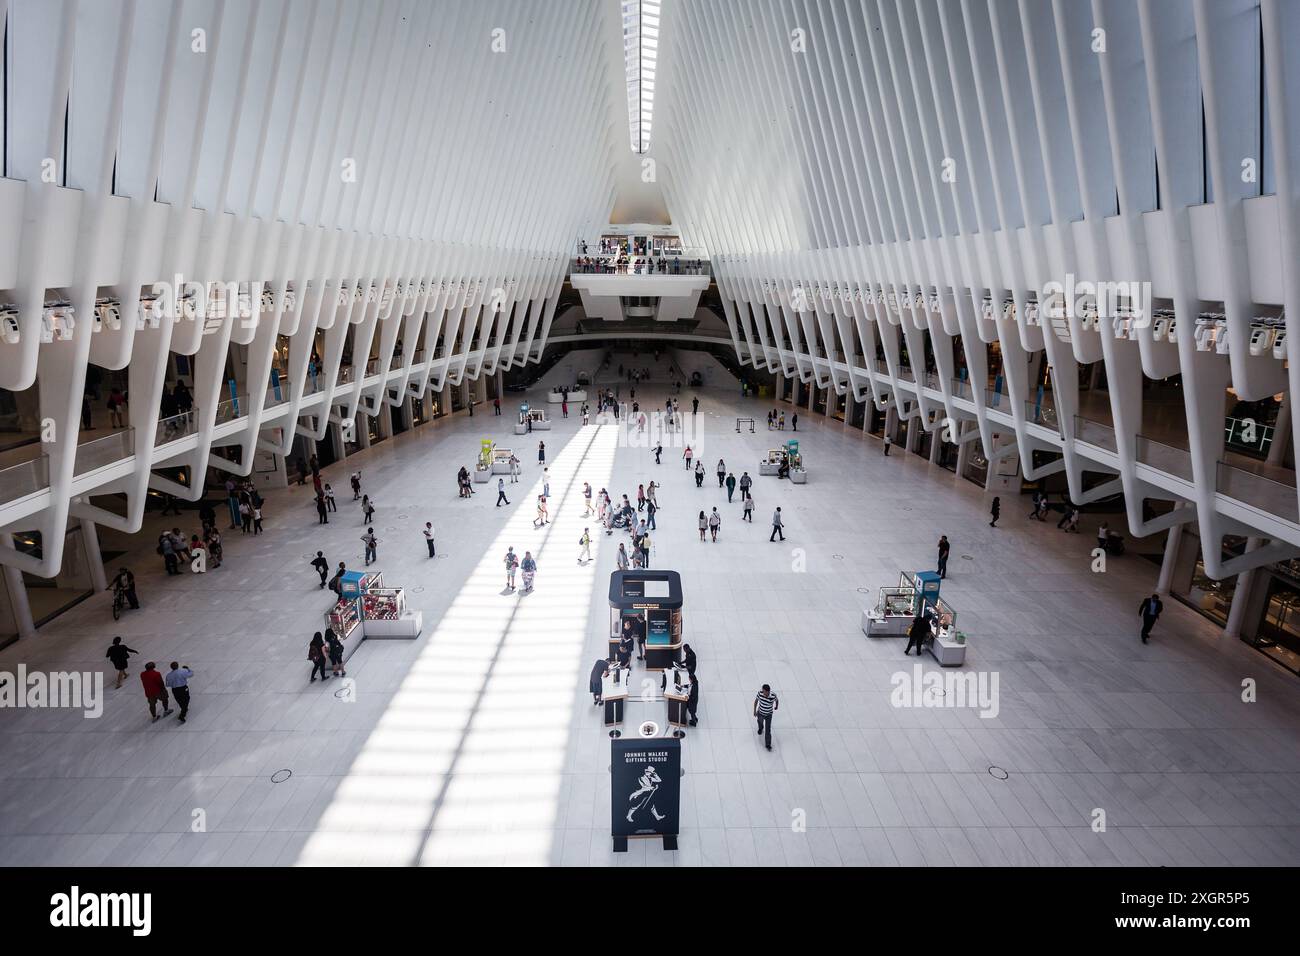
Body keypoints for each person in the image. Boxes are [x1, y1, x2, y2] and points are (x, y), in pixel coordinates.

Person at [754, 684, 778, 751]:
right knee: (760, 722)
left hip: (768, 715)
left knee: (768, 729)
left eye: (764, 691)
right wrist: (754, 711)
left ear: (768, 691)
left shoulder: (773, 696)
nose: (763, 692)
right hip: (760, 713)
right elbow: (756, 701)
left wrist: (776, 706)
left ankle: (768, 744)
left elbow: (777, 700)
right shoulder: (760, 693)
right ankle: (760, 728)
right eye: (762, 690)